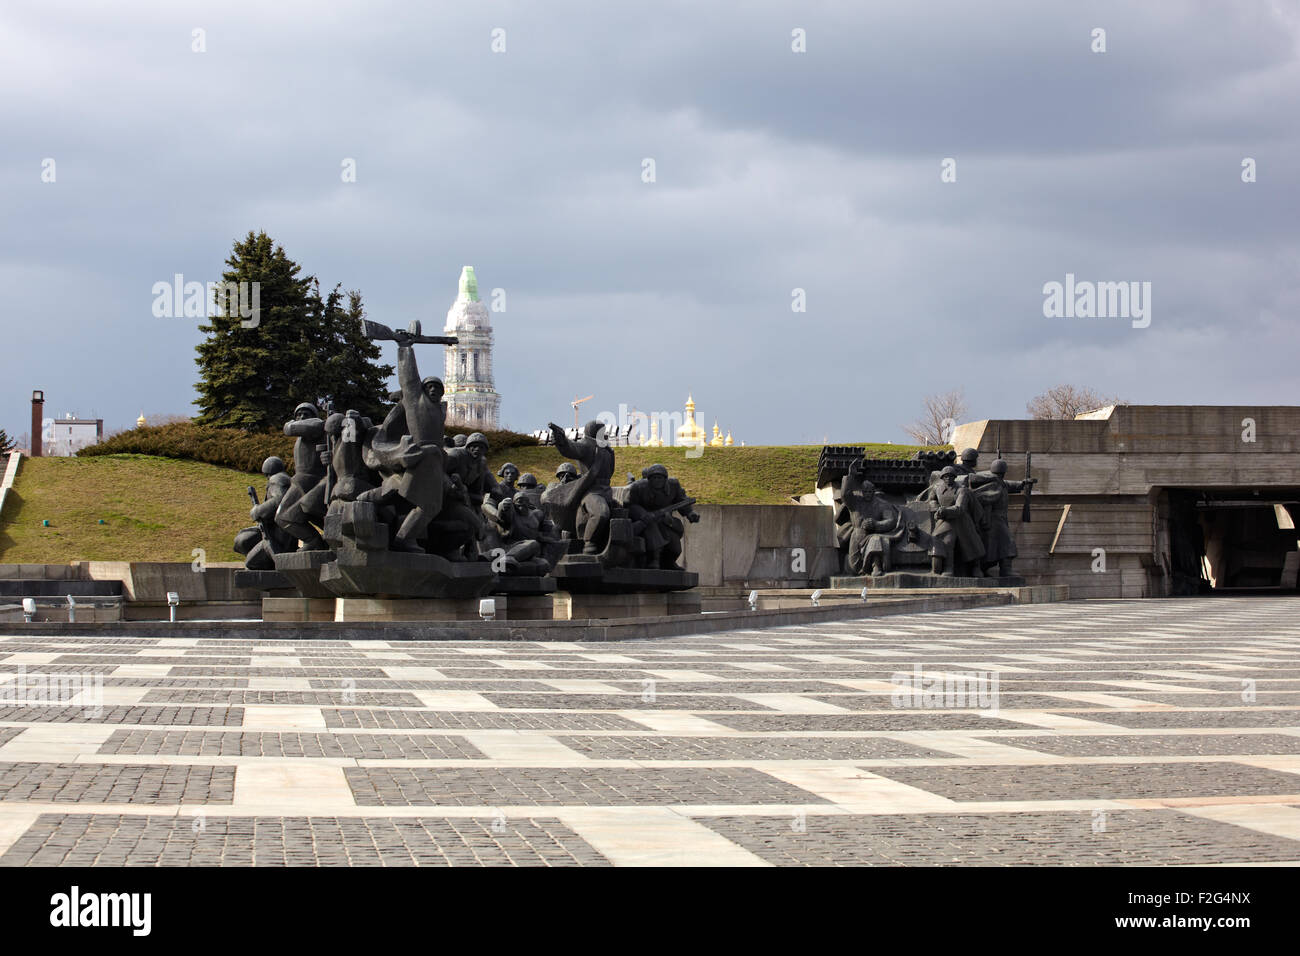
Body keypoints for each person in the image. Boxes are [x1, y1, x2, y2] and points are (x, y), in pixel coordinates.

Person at [547, 420, 617, 554]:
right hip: (592, 492)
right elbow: (571, 448)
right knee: (601, 513)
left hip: (607, 491)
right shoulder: (587, 445)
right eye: (600, 430)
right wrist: (561, 439)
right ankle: (588, 543)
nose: (604, 433)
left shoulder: (608, 450)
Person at [275, 402, 329, 551]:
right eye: (298, 414)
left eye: (306, 414)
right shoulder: (302, 437)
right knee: (286, 517)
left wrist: (290, 424)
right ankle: (316, 541)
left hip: (311, 481)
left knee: (286, 516)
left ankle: (315, 541)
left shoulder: (316, 425)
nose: (302, 417)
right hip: (301, 481)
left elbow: (289, 429)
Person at [968, 459, 1035, 577]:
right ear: (1004, 472)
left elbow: (1007, 485)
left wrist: (1023, 484)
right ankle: (1005, 570)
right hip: (994, 520)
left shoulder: (998, 482)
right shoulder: (994, 486)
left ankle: (986, 569)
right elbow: (984, 497)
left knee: (992, 548)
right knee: (1008, 543)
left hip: (1000, 520)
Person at [625, 464, 699, 570]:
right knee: (651, 530)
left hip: (665, 519)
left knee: (675, 548)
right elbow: (630, 505)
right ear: (649, 479)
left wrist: (690, 513)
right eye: (654, 478)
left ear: (665, 479)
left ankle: (669, 563)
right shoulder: (639, 487)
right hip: (647, 520)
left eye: (660, 477)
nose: (657, 480)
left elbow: (682, 501)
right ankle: (653, 560)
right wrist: (643, 515)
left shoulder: (674, 485)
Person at [915, 466, 985, 576]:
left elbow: (960, 508)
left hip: (962, 520)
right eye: (946, 476)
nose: (948, 478)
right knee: (946, 541)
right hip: (946, 519)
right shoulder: (937, 488)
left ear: (955, 477)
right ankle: (948, 568)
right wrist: (936, 508)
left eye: (951, 476)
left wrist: (944, 511)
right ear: (942, 477)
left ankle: (976, 568)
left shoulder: (962, 490)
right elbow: (932, 500)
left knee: (972, 545)